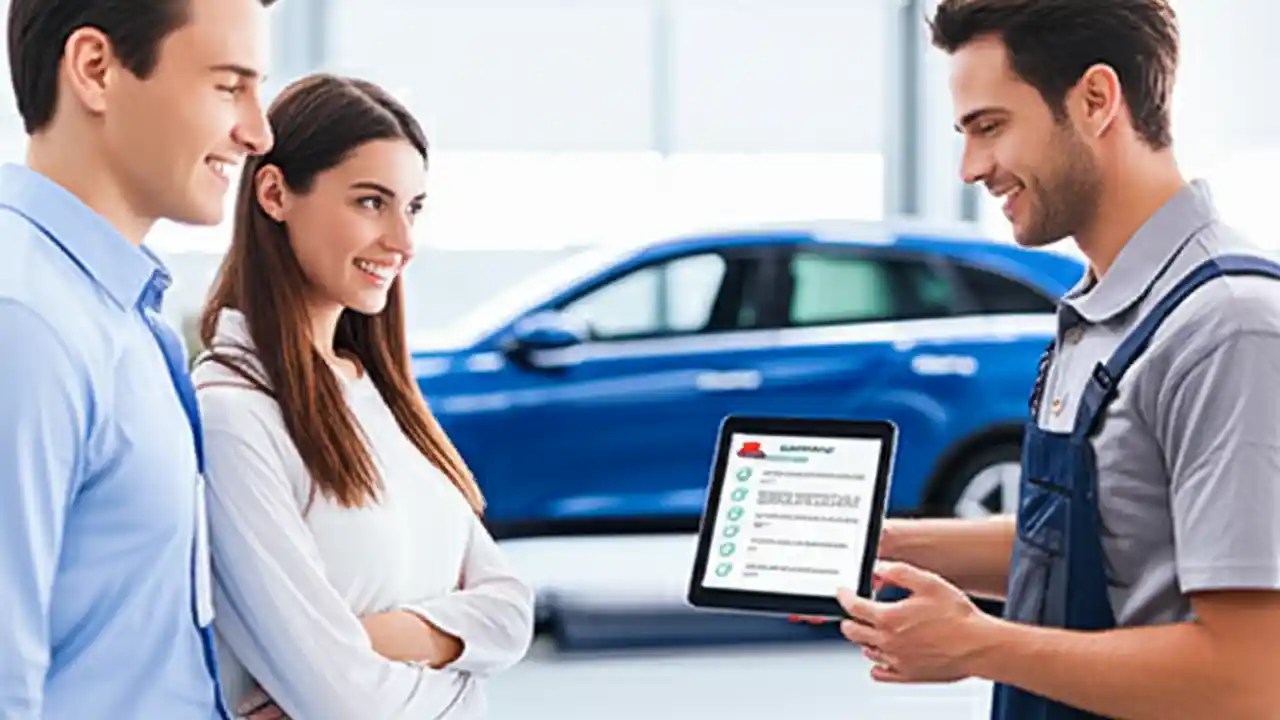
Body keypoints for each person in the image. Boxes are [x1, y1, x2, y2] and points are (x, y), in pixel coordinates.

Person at [821, 1, 1280, 718]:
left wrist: (977, 644)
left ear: (1096, 100)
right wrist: (878, 547)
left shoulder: (1229, 327)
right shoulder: (1100, 309)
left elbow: (1249, 679)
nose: (971, 168)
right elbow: (1092, 545)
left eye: (990, 127)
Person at [191, 73, 536, 720]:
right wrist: (460, 672)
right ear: (273, 193)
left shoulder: (377, 392)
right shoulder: (233, 418)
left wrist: (371, 639)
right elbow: (346, 702)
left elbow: (512, 611)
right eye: (371, 202)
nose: (403, 242)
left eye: (414, 208)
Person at [0, 0, 273, 717]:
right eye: (228, 86)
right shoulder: (24, 322)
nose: (257, 131)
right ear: (96, 70)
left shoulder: (116, 312)